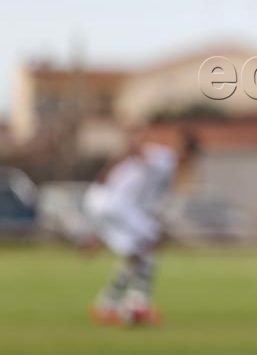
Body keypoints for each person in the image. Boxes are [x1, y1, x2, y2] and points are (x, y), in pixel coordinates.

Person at [83, 127, 200, 325]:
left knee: (138, 252)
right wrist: (134, 142)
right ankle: (137, 305)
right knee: (150, 242)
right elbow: (134, 150)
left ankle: (108, 304)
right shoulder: (165, 159)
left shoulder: (169, 169)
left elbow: (150, 203)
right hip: (113, 201)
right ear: (187, 151)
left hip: (112, 204)